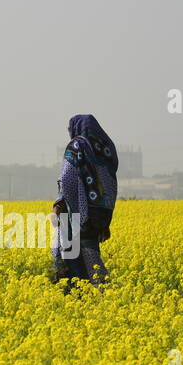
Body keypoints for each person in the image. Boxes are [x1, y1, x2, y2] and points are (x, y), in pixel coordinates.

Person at [52, 114, 118, 288]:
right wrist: (105, 220)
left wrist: (61, 202)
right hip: (99, 215)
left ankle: (76, 291)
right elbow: (109, 186)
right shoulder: (105, 151)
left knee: (68, 253)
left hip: (76, 212)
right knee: (91, 253)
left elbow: (67, 178)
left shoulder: (77, 145)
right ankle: (102, 289)